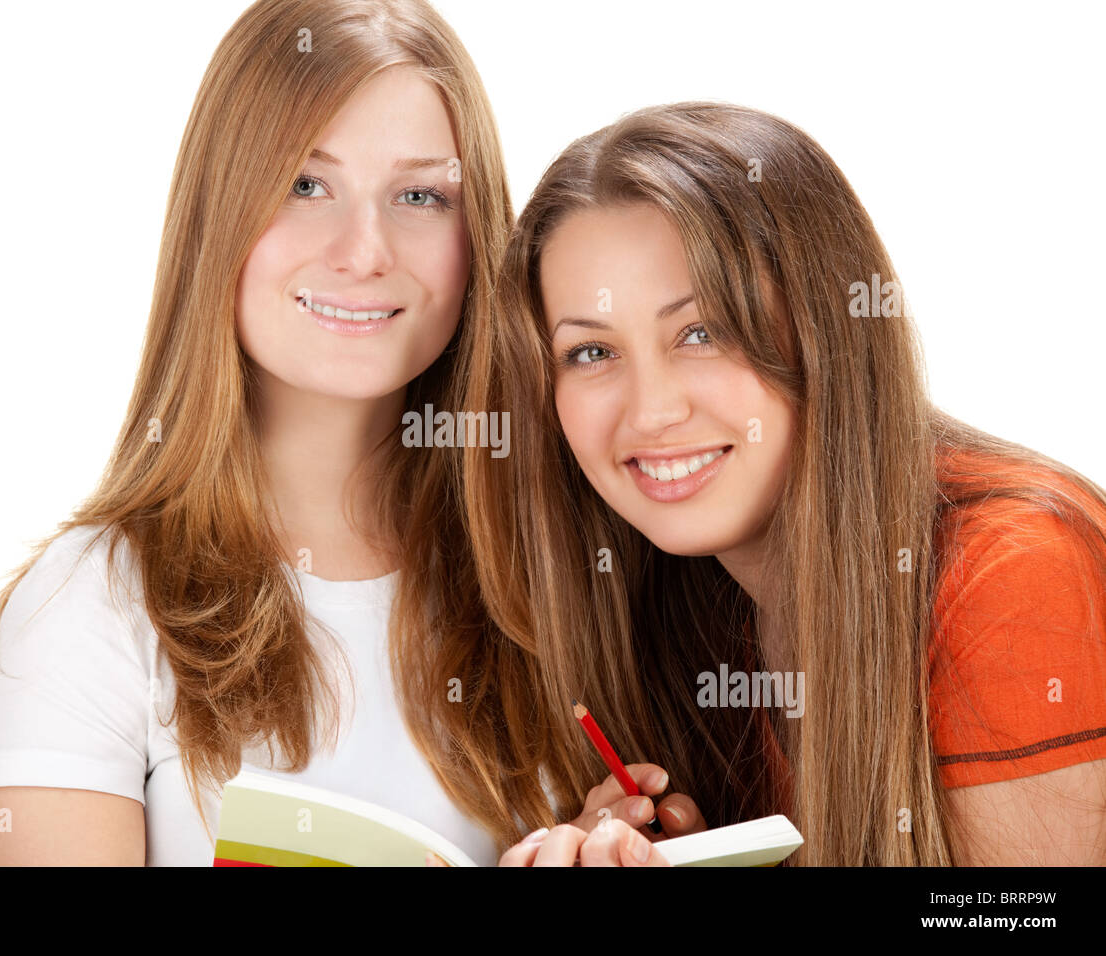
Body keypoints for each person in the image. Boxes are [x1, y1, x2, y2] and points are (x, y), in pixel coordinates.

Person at [0, 0, 573, 866]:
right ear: (219, 215)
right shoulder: (93, 604)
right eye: (305, 184)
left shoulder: (554, 575)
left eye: (419, 195)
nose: (364, 251)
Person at [471, 102, 1106, 866]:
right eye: (591, 354)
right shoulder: (677, 601)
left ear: (825, 333)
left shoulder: (1014, 569)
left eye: (701, 333)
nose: (652, 411)